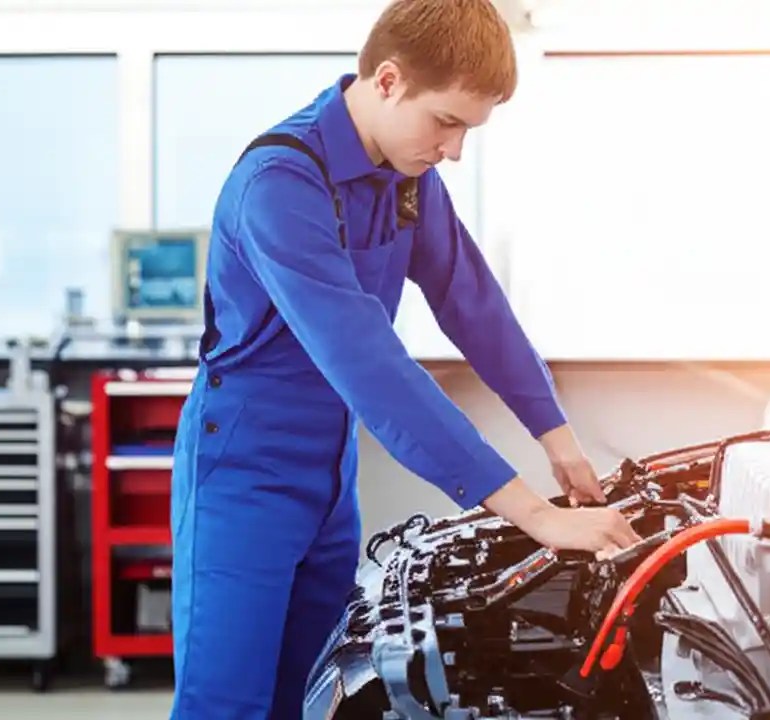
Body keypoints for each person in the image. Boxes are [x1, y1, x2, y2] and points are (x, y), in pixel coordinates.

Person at [167, 1, 641, 717]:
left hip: (330, 479)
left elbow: (473, 303)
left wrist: (561, 443)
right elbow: (371, 365)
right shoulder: (280, 185)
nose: (453, 150)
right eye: (446, 122)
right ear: (387, 81)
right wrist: (531, 513)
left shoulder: (404, 176)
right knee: (227, 704)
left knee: (313, 696)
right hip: (243, 474)